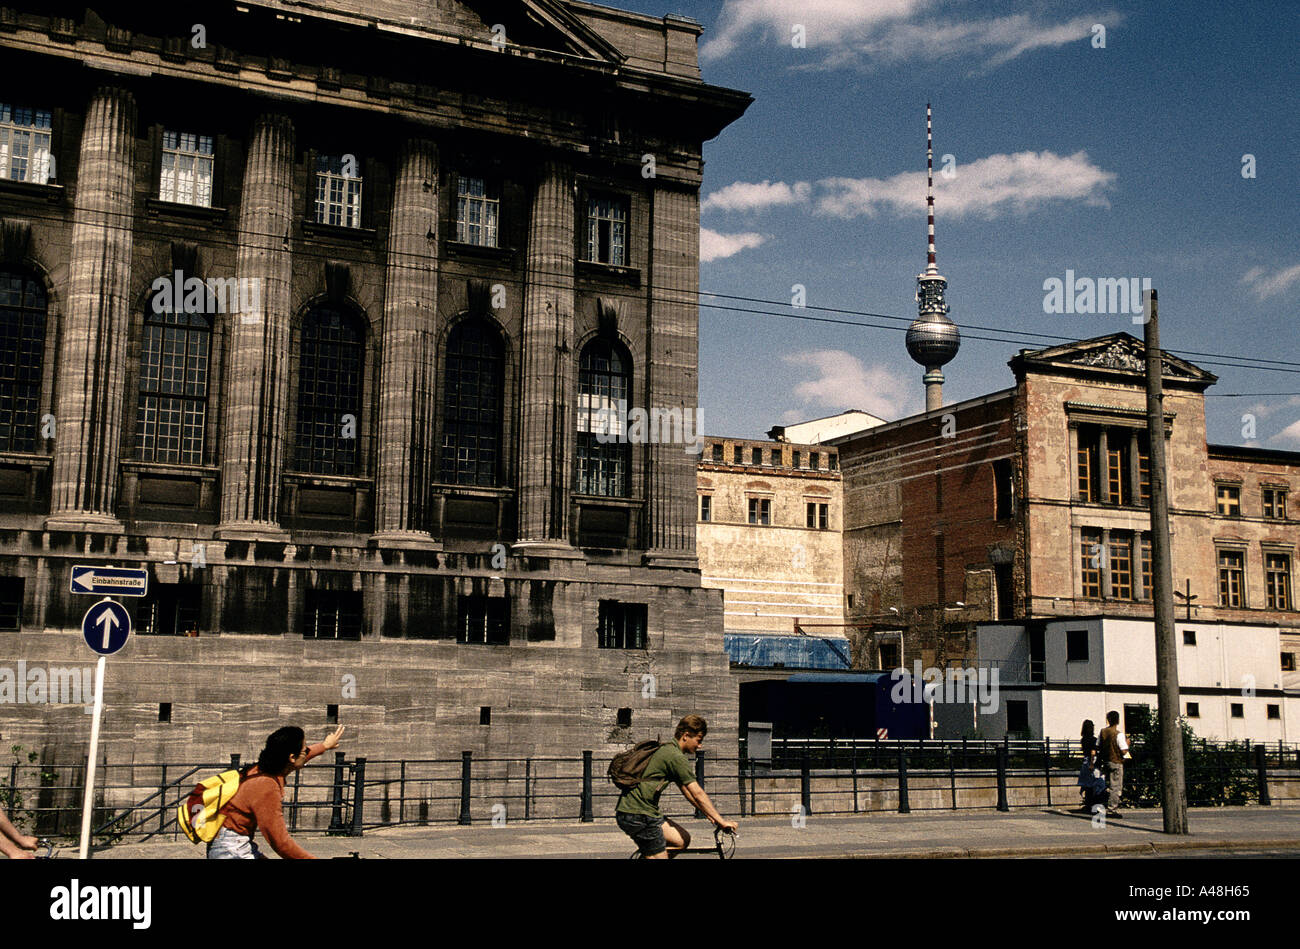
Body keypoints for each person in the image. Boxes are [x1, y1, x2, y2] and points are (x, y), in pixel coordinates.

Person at [207, 724, 345, 859]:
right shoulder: (266, 786)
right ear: (291, 757)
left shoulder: (264, 768)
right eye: (304, 750)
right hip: (230, 848)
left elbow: (301, 758)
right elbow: (280, 841)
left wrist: (325, 745)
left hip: (230, 841)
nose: (307, 752)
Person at [615, 714, 738, 858]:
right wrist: (721, 821)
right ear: (686, 735)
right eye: (698, 740)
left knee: (681, 840)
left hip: (641, 812)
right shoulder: (675, 757)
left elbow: (687, 791)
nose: (700, 745)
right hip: (639, 814)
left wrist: (710, 815)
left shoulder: (669, 749)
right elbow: (697, 793)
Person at [1097, 711, 1129, 815]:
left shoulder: (1102, 732)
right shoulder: (1118, 734)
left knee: (1108, 784)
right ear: (1118, 720)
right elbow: (1124, 750)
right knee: (1115, 786)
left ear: (1108, 719)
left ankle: (1102, 804)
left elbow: (1097, 745)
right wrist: (1128, 744)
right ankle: (1112, 809)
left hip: (1105, 761)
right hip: (1116, 761)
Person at [1076, 719, 1106, 812]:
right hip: (1092, 762)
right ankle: (1096, 804)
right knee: (1097, 784)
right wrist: (1093, 763)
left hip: (1085, 762)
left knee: (1087, 785)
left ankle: (1088, 804)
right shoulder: (1094, 740)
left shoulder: (1083, 739)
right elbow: (1093, 752)